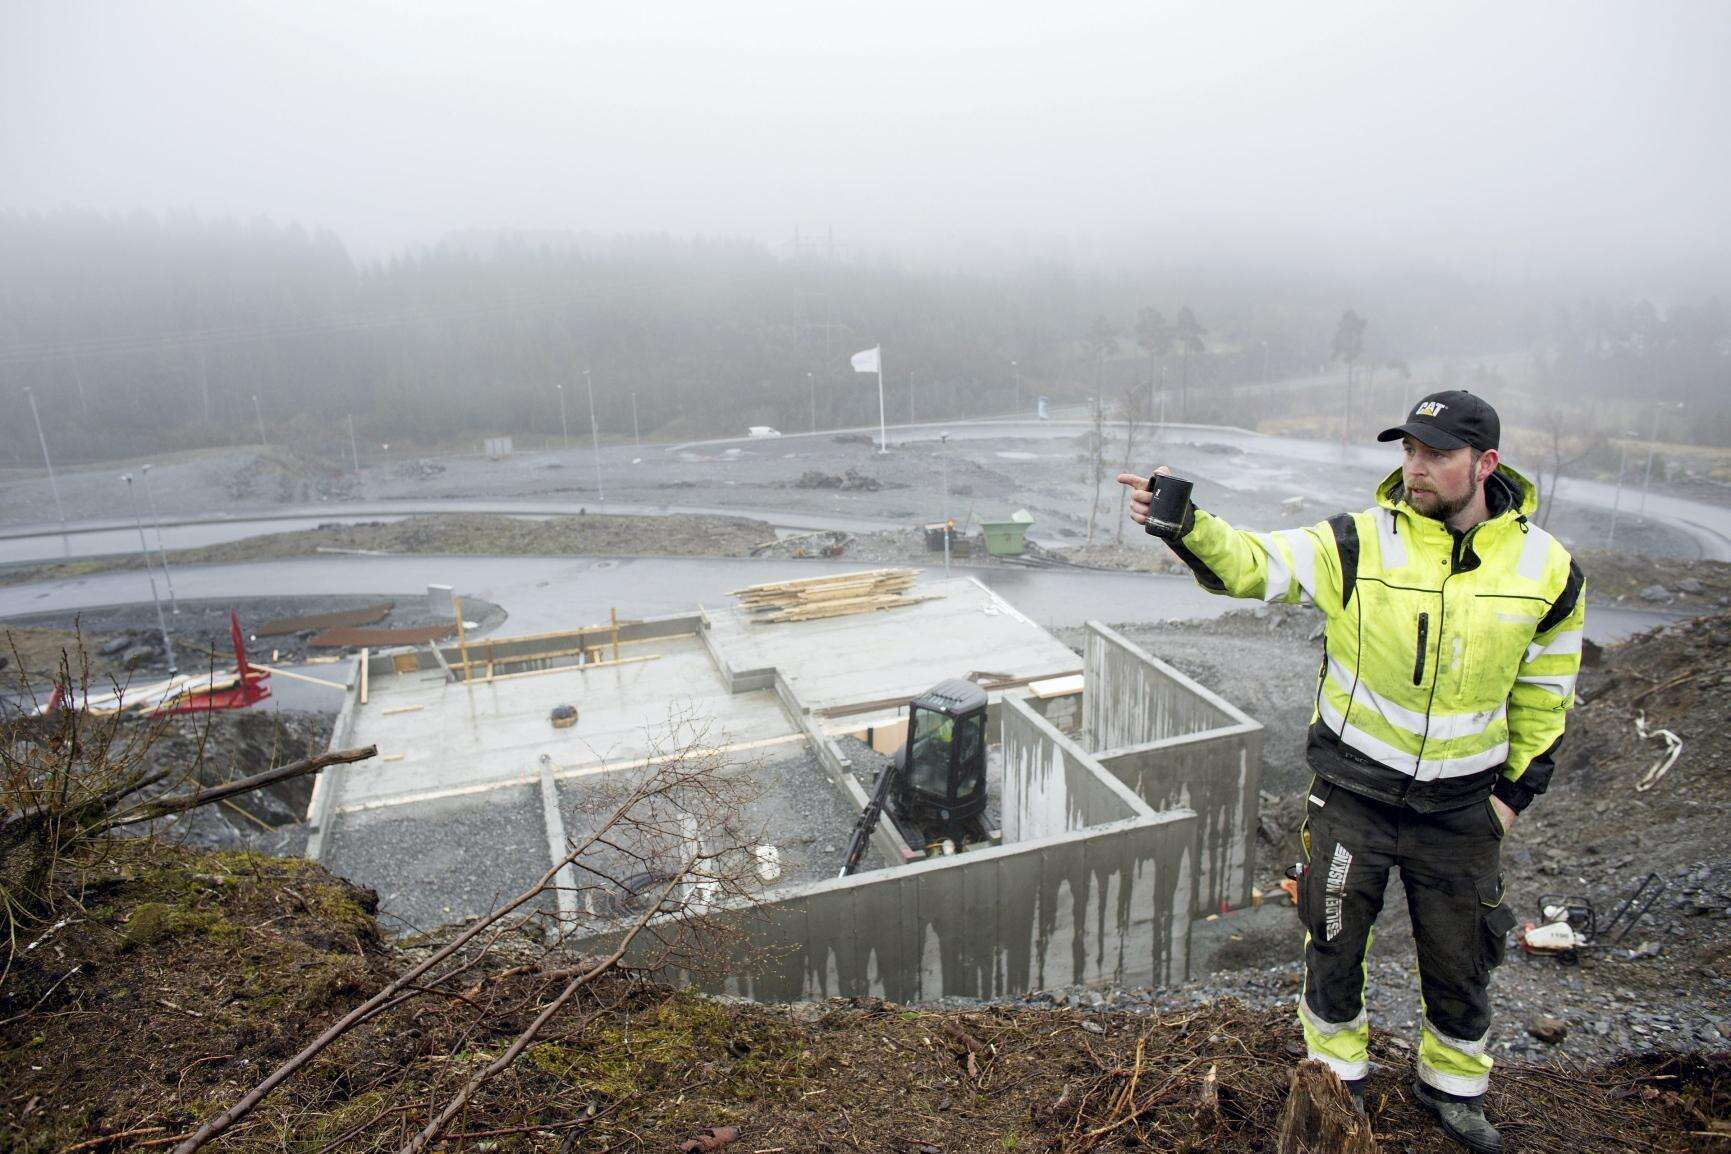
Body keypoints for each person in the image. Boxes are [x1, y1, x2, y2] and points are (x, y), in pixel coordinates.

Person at [1117, 390, 1584, 1154]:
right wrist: (1184, 524)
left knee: (1462, 956)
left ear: (1485, 463)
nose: (1416, 467)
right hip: (1353, 799)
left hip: (1462, 813)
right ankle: (1337, 1083)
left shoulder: (1547, 570)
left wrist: (1507, 800)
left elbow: (1546, 693)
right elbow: (1254, 564)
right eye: (1407, 451)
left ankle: (1454, 1090)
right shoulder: (1358, 544)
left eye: (1435, 454)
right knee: (1331, 940)